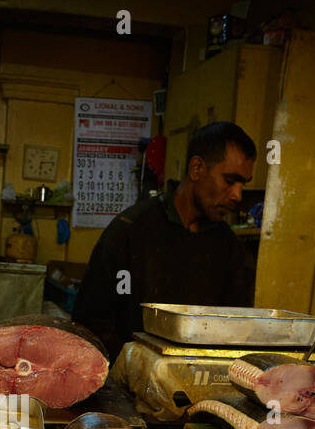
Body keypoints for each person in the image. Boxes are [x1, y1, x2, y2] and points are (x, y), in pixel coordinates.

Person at [73, 121, 257, 359]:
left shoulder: (230, 249)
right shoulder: (130, 231)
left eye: (243, 184)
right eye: (230, 181)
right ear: (197, 168)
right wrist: (131, 369)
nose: (237, 195)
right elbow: (90, 323)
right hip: (125, 385)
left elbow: (235, 329)